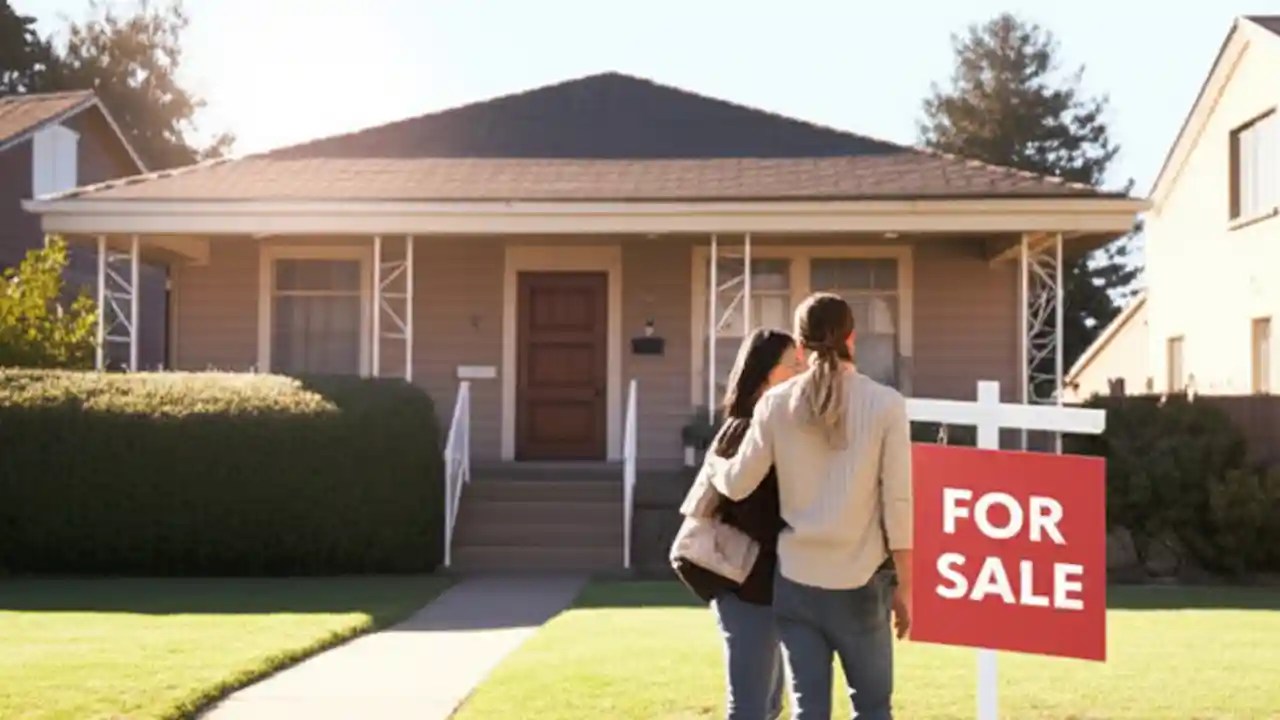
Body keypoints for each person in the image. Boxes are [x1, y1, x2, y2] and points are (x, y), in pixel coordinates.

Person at [704, 293, 913, 720]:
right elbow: (897, 501)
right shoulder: (886, 405)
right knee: (873, 708)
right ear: (852, 338)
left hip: (796, 582)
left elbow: (739, 484)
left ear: (799, 347)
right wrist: (906, 585)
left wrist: (714, 464)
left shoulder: (775, 404)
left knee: (808, 711)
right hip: (860, 580)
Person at [673, 328, 805, 720]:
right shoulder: (745, 430)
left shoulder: (776, 427)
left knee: (767, 704)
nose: (802, 373)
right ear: (766, 373)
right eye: (792, 366)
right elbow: (755, 514)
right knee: (750, 707)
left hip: (767, 585)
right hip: (743, 584)